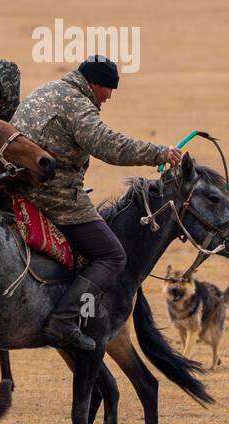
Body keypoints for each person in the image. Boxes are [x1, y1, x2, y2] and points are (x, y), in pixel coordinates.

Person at [11, 56, 183, 350]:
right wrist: (160, 153)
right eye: (108, 89)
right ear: (94, 84)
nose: (109, 96)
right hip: (54, 196)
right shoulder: (78, 104)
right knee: (113, 255)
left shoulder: (46, 89)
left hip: (16, 189)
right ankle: (62, 320)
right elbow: (109, 146)